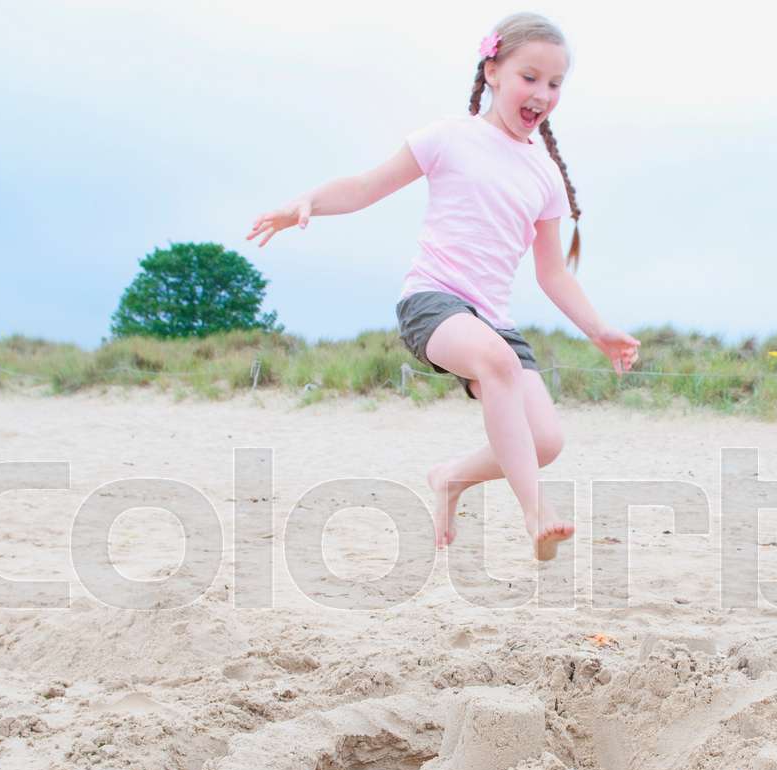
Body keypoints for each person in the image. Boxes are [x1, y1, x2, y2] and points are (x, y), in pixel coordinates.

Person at [246, 12, 640, 561]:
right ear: (493, 70)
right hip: (432, 301)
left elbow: (550, 272)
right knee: (498, 365)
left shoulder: (544, 174)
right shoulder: (449, 138)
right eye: (530, 77)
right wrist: (306, 203)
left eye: (555, 84)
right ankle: (536, 513)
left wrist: (598, 330)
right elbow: (364, 187)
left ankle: (451, 477)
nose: (542, 94)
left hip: (493, 320)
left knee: (545, 441)